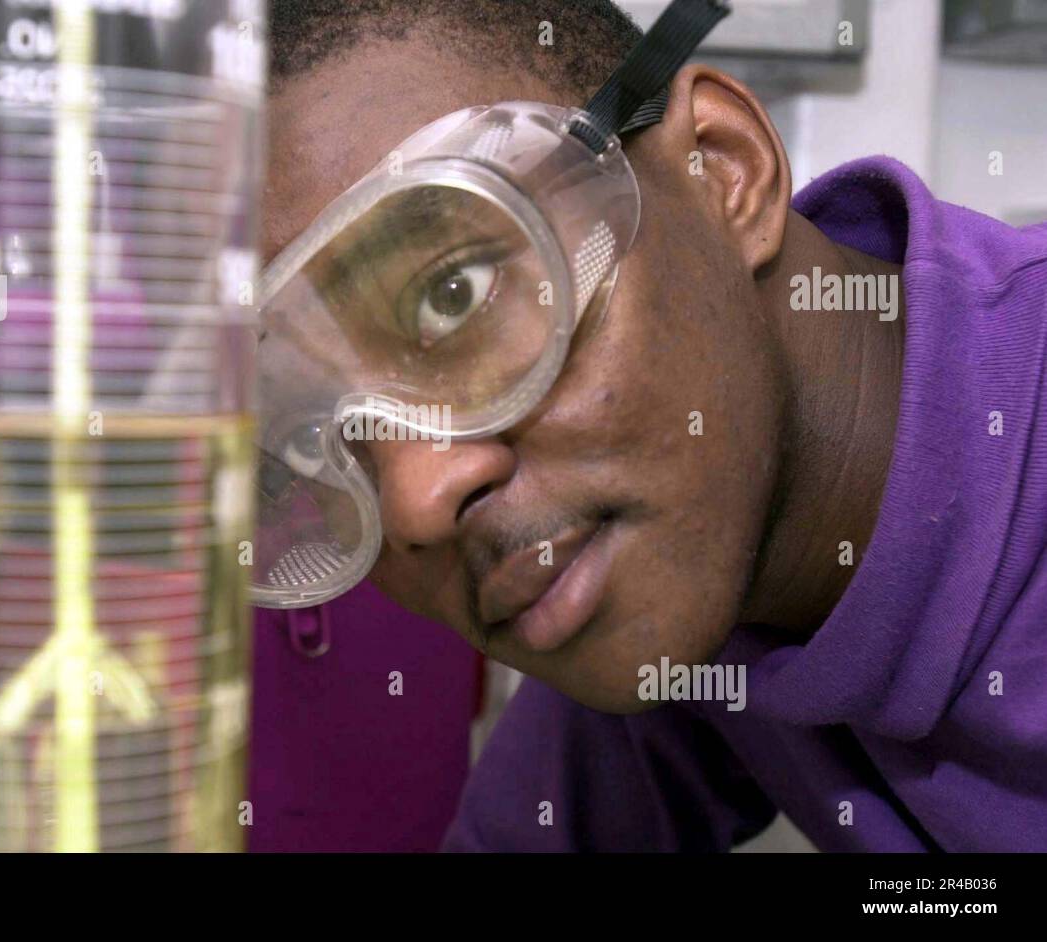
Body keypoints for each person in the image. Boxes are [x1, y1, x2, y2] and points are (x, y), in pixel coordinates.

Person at [258, 0, 1047, 851]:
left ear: (722, 170)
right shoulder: (670, 559)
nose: (416, 500)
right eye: (316, 436)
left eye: (455, 296)